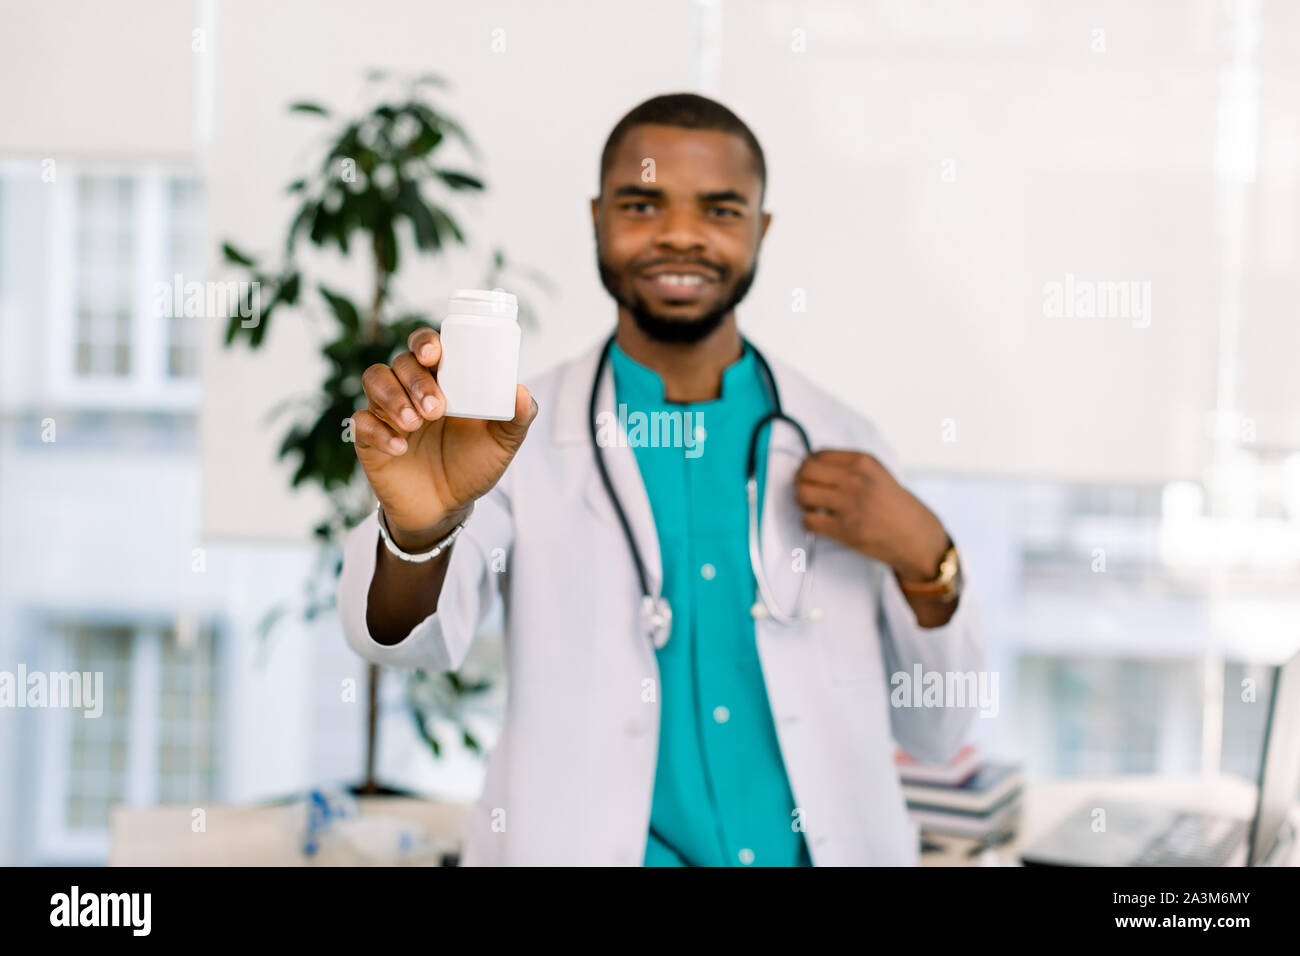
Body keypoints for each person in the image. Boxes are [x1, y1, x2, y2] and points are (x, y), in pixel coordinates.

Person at [338, 92, 984, 866]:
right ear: (597, 217)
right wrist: (417, 529)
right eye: (643, 204)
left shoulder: (844, 440)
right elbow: (406, 644)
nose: (680, 235)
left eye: (720, 210)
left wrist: (927, 559)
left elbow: (939, 731)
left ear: (760, 229)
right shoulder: (510, 438)